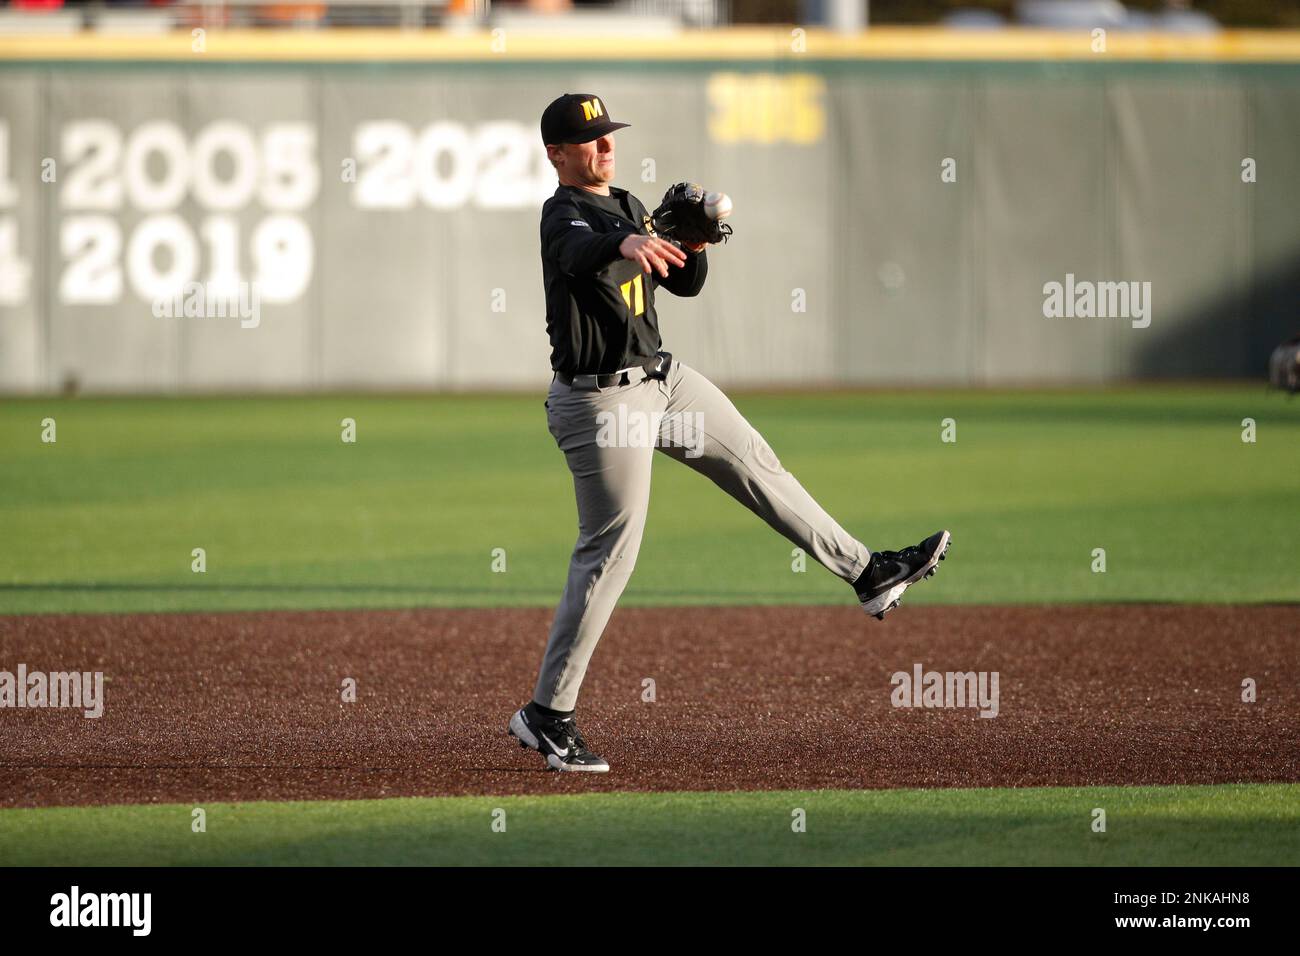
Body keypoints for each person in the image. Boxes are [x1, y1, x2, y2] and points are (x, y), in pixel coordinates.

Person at [508, 92, 951, 773]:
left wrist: (690, 239)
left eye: (608, 135)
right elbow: (578, 254)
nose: (604, 147)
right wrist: (625, 241)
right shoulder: (562, 214)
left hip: (662, 380)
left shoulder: (628, 203)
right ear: (556, 153)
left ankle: (866, 572)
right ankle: (548, 715)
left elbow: (683, 285)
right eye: (588, 139)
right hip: (600, 405)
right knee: (610, 552)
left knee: (755, 460)